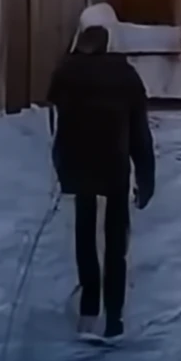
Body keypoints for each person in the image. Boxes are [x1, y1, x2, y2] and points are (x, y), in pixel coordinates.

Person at [47, 22, 156, 342]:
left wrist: (61, 166)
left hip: (79, 165)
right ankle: (114, 317)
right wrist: (146, 176)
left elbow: (57, 121)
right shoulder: (126, 76)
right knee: (115, 242)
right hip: (115, 165)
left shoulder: (65, 73)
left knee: (84, 232)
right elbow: (139, 132)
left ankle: (89, 306)